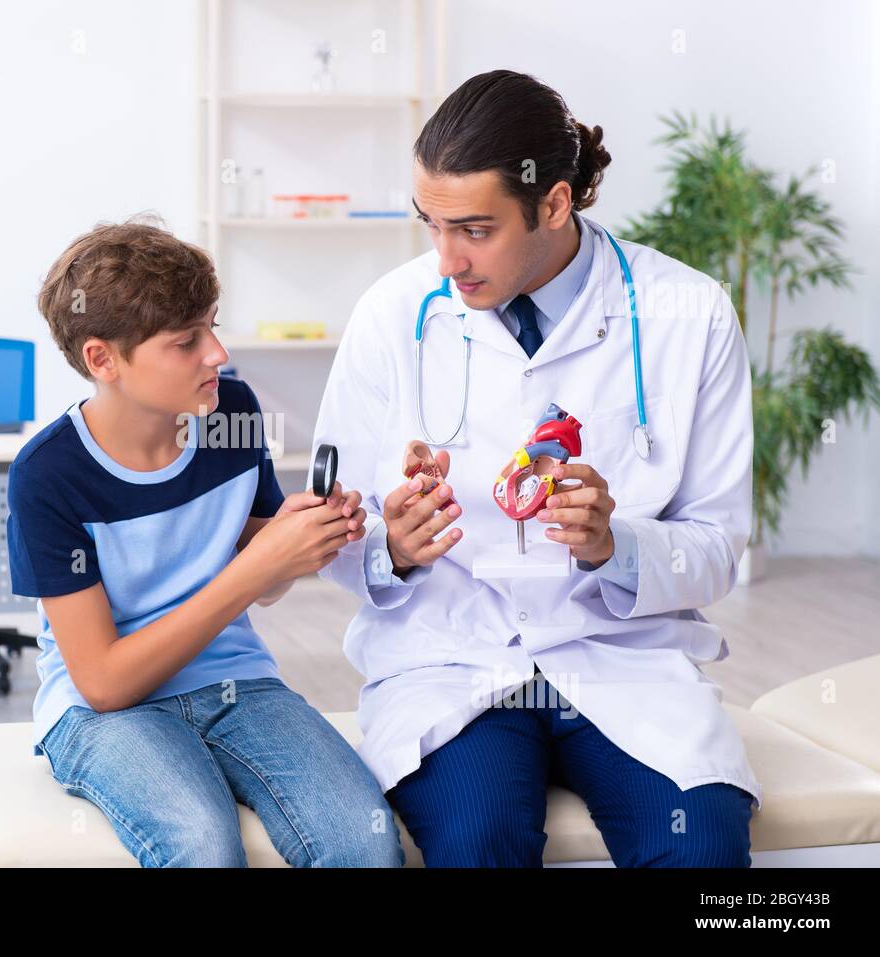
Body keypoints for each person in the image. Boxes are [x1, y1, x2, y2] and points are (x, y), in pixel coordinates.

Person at [312, 70, 759, 867]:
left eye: (475, 229)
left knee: (700, 851)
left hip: (622, 659)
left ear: (554, 204)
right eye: (432, 223)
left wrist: (614, 547)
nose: (447, 259)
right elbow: (334, 533)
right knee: (478, 837)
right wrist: (395, 548)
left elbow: (718, 546)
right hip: (453, 656)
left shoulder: (688, 315)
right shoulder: (393, 314)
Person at [6, 217, 404, 867]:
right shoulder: (48, 476)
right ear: (102, 359)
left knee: (360, 840)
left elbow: (267, 580)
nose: (217, 354)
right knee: (202, 843)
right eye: (186, 341)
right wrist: (255, 569)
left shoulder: (231, 412)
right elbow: (104, 682)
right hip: (103, 712)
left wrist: (303, 540)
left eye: (212, 327)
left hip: (234, 680)